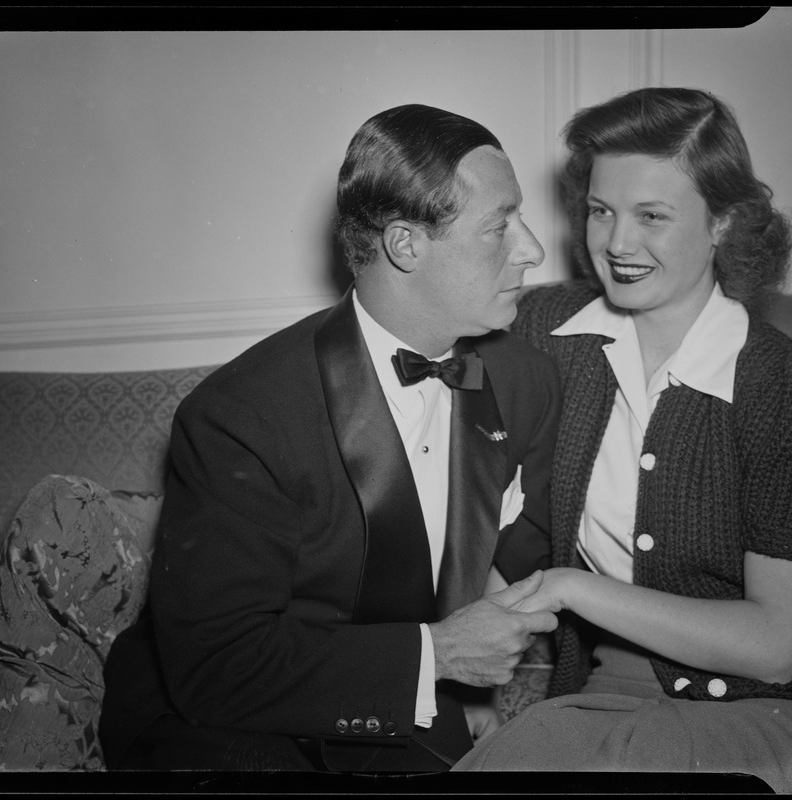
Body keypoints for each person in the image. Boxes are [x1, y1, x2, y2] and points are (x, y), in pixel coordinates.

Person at [452, 87, 792, 793]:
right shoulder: (546, 332)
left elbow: (776, 648)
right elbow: (495, 500)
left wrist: (570, 588)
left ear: (723, 221)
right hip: (613, 700)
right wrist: (465, 676)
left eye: (651, 216)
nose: (617, 244)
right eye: (601, 210)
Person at [97, 104, 562, 774]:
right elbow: (217, 668)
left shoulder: (527, 381)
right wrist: (441, 655)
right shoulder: (241, 416)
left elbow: (528, 531)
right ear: (406, 245)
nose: (533, 250)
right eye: (500, 227)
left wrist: (470, 668)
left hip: (408, 724)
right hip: (230, 728)